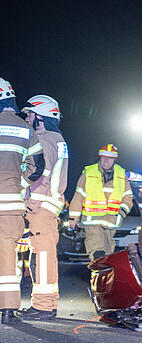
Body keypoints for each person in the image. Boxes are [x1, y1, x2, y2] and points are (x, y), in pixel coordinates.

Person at [17, 95, 69, 320]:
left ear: (41, 117)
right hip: (46, 207)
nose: (27, 117)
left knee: (43, 257)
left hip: (40, 207)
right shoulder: (56, 138)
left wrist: (28, 204)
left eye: (30, 114)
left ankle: (44, 306)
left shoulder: (46, 139)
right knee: (39, 256)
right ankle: (44, 304)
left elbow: (40, 175)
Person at [0, 77, 45, 324]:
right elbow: (38, 166)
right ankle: (7, 310)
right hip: (9, 207)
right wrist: (21, 182)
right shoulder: (23, 128)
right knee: (7, 257)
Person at [68, 145, 133, 261]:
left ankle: (102, 278)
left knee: (108, 256)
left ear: (114, 160)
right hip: (92, 223)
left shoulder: (121, 176)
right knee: (98, 253)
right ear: (99, 158)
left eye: (109, 158)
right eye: (103, 158)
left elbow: (127, 198)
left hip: (111, 223)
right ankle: (97, 275)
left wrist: (121, 213)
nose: (106, 161)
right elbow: (78, 196)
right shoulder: (88, 173)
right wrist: (73, 218)